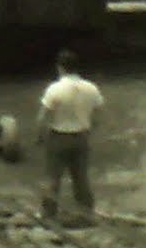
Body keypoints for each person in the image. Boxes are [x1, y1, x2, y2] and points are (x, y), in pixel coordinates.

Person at [36, 48, 105, 222]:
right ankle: (86, 213)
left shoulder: (54, 89)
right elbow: (98, 115)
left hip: (58, 136)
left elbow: (42, 116)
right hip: (81, 136)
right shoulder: (91, 88)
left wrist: (40, 137)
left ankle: (48, 214)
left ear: (60, 67)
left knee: (53, 178)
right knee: (81, 178)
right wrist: (90, 129)